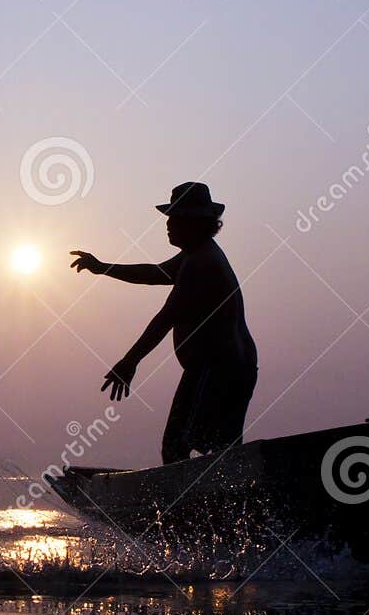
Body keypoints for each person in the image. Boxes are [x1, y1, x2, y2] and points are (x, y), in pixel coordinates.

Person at [70, 182, 257, 464]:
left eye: (175, 218)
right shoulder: (196, 254)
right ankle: (226, 499)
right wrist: (102, 267)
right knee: (221, 449)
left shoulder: (201, 262)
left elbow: (166, 317)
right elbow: (155, 272)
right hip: (225, 368)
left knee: (177, 447)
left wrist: (129, 362)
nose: (168, 224)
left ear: (194, 222)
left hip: (218, 369)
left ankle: (192, 503)